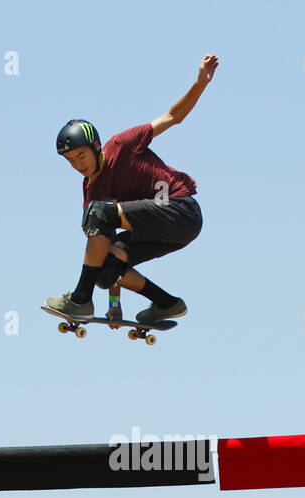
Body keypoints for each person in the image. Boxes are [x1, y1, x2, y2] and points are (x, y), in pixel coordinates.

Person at [46, 54, 217, 326]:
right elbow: (102, 241)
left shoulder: (123, 145)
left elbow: (173, 117)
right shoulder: (92, 188)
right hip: (162, 233)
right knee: (105, 268)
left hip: (179, 209)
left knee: (98, 213)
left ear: (95, 146)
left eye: (81, 156)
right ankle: (166, 303)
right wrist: (114, 304)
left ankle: (80, 300)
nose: (78, 165)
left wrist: (200, 83)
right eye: (71, 161)